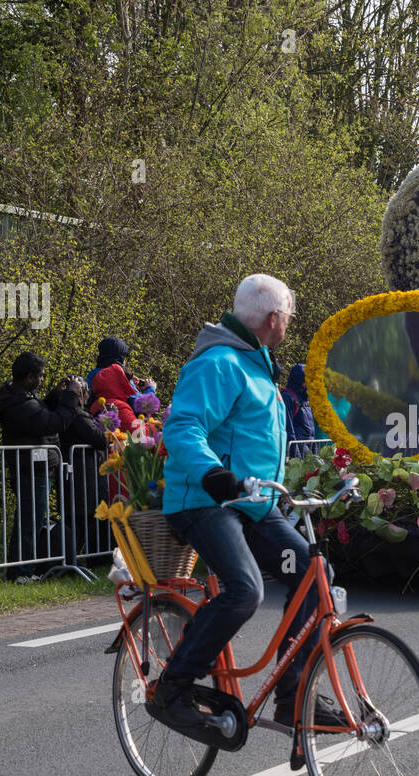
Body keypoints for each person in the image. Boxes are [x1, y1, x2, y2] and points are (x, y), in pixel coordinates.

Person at [155, 273, 343, 742]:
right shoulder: (220, 362)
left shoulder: (256, 363)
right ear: (274, 318)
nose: (289, 325)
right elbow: (182, 429)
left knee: (312, 573)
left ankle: (293, 695)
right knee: (245, 590)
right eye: (289, 317)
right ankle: (172, 689)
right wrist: (213, 474)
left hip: (254, 504)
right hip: (205, 501)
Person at [0, 352, 83, 582]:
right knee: (30, 521)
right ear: (30, 377)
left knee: (33, 519)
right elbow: (53, 423)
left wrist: (56, 395)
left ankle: (22, 569)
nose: (42, 379)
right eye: (41, 376)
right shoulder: (19, 403)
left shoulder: (18, 396)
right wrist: (71, 395)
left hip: (35, 467)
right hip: (31, 469)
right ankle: (21, 572)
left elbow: (41, 411)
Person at [45, 375, 108, 564]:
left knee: (77, 520)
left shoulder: (64, 412)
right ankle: (84, 559)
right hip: (83, 476)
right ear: (80, 394)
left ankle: (73, 558)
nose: (88, 397)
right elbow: (100, 439)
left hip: (75, 474)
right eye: (86, 392)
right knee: (83, 520)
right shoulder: (78, 415)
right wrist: (105, 424)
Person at [88, 336, 156, 431]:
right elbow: (142, 407)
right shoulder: (120, 374)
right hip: (124, 426)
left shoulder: (93, 375)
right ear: (121, 357)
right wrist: (150, 389)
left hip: (97, 423)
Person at [280, 363, 318, 458]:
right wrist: (296, 455)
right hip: (299, 447)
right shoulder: (288, 397)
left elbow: (311, 428)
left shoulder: (305, 398)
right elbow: (288, 428)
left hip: (310, 445)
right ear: (299, 379)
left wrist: (315, 449)